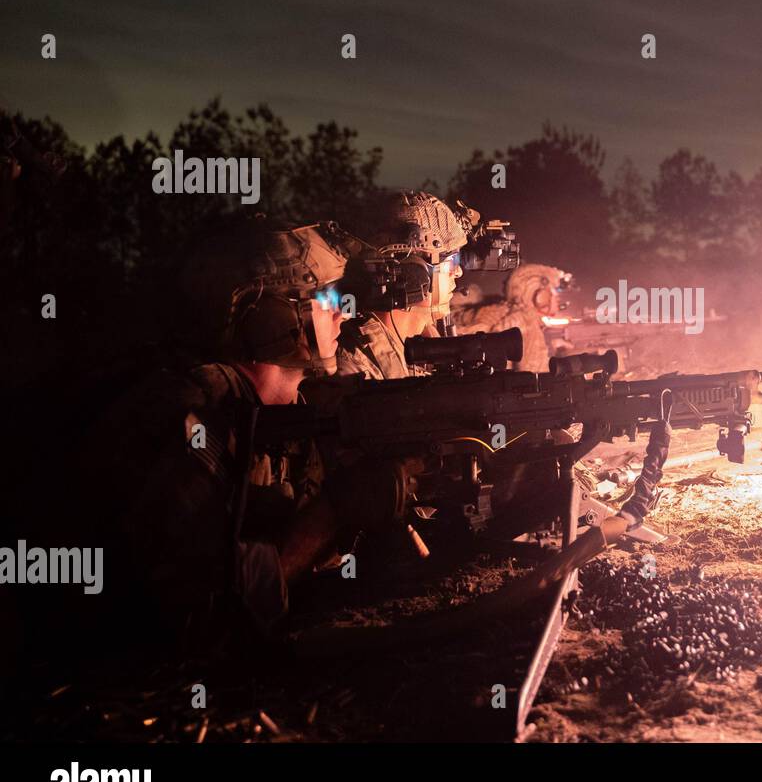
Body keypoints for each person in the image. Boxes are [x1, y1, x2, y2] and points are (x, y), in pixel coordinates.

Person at [69, 218, 415, 651]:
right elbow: (197, 605)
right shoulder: (193, 420)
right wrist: (331, 514)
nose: (339, 311)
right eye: (322, 297)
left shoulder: (288, 411)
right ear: (273, 317)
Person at [335, 189, 474, 379]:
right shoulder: (356, 369)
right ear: (413, 271)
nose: (458, 271)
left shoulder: (425, 349)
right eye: (452, 259)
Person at [450, 262, 570, 372]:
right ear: (541, 297)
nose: (558, 300)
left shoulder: (504, 308)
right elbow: (536, 377)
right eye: (556, 293)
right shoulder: (527, 322)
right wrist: (564, 356)